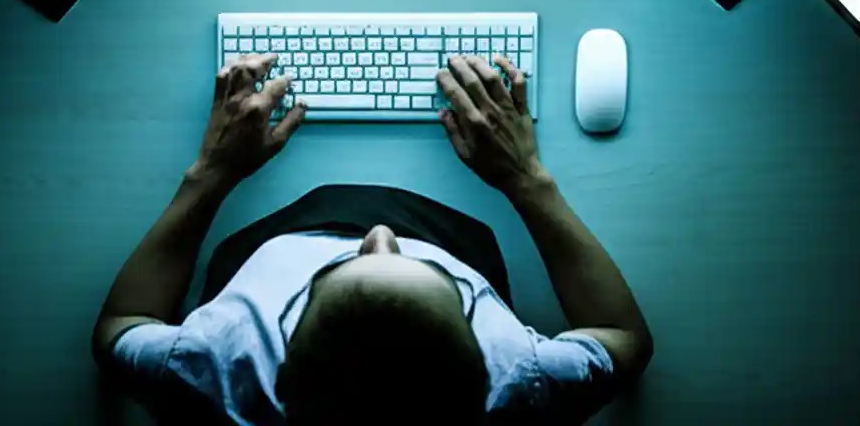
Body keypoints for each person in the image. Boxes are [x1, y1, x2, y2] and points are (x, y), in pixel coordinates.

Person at [93, 53, 653, 425]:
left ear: (284, 372)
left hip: (264, 232)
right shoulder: (520, 378)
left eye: (342, 268)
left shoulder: (211, 362)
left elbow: (117, 332)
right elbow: (624, 338)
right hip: (456, 225)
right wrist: (527, 180)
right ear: (484, 372)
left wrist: (210, 175)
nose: (381, 233)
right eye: (436, 279)